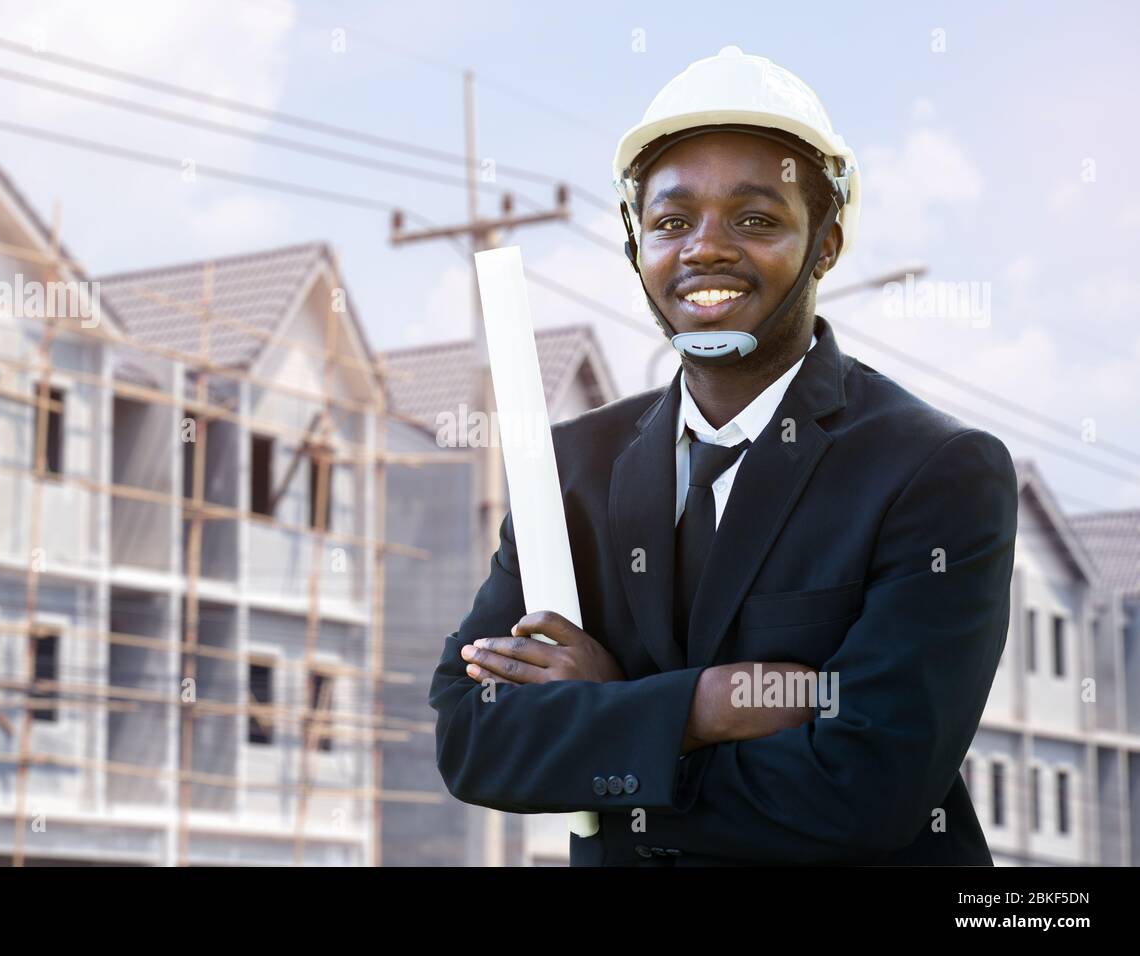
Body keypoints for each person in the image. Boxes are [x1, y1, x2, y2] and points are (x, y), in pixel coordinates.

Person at [428, 46, 1017, 866]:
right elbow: (471, 735)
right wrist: (703, 705)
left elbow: (866, 788)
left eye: (756, 218)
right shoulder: (570, 467)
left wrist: (610, 724)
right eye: (671, 222)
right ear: (636, 246)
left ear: (828, 240)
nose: (705, 249)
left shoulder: (938, 472)